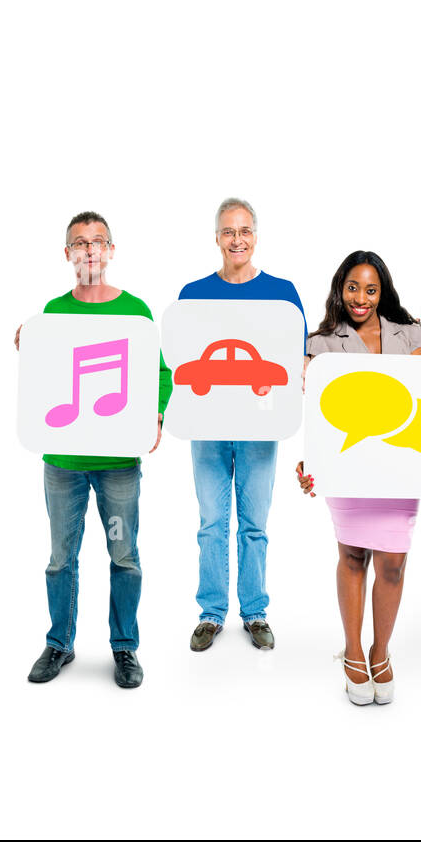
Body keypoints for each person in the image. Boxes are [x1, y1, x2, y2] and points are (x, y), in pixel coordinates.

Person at [15, 211, 172, 689]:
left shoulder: (135, 311)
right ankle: (59, 643)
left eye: (98, 242)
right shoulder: (54, 312)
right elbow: (44, 383)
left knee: (124, 556)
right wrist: (30, 345)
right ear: (68, 254)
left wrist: (157, 413)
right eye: (80, 243)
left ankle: (125, 648)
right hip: (63, 462)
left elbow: (160, 374)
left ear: (111, 251)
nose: (89, 250)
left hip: (118, 463)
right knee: (61, 558)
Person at [296, 251, 421, 705]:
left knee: (393, 563)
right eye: (353, 288)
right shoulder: (320, 343)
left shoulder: (409, 334)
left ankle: (381, 650)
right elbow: (317, 414)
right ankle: (354, 652)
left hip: (398, 466)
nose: (361, 298)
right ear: (341, 289)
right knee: (354, 556)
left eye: (372, 289)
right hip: (348, 466)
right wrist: (309, 463)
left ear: (384, 293)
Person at [179, 198, 307, 653]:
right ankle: (211, 614)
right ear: (216, 238)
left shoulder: (282, 292)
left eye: (245, 230)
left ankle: (254, 612)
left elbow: (297, 358)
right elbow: (181, 358)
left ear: (256, 235)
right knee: (211, 522)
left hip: (260, 427)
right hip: (207, 427)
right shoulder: (193, 294)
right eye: (228, 232)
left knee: (254, 523)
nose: (237, 240)